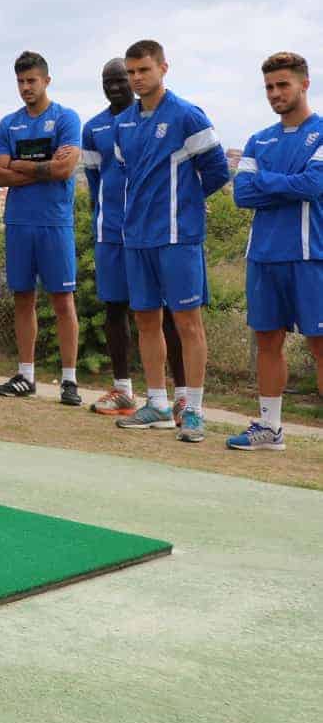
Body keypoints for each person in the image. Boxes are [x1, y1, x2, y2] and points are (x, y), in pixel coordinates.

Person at [111, 39, 229, 442]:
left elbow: (216, 172)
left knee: (187, 323)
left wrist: (186, 209)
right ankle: (158, 403)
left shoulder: (187, 116)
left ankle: (193, 409)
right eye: (131, 72)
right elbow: (129, 176)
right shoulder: (123, 122)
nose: (136, 78)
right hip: (136, 238)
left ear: (163, 68)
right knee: (145, 319)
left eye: (143, 70)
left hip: (178, 237)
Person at [81, 59, 187, 415]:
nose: (115, 87)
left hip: (151, 229)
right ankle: (123, 389)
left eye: (121, 79)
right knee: (115, 307)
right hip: (110, 230)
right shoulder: (94, 127)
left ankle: (181, 394)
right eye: (107, 81)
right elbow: (96, 180)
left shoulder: (155, 120)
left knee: (167, 312)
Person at [230, 52, 323, 452]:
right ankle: (270, 428)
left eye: (282, 84)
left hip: (310, 255)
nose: (275, 93)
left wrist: (266, 180)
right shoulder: (259, 139)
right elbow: (241, 193)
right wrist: (286, 181)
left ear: (304, 84)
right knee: (268, 341)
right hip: (263, 256)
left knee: (320, 344)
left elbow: (312, 186)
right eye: (269, 86)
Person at [0, 51, 84, 405]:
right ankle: (25, 375)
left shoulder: (66, 118)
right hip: (18, 222)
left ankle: (69, 380)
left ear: (46, 80)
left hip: (54, 222)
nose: (26, 87)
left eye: (32, 81)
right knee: (23, 298)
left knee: (62, 301)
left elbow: (63, 171)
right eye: (20, 82)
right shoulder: (8, 123)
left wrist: (19, 164)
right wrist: (40, 164)